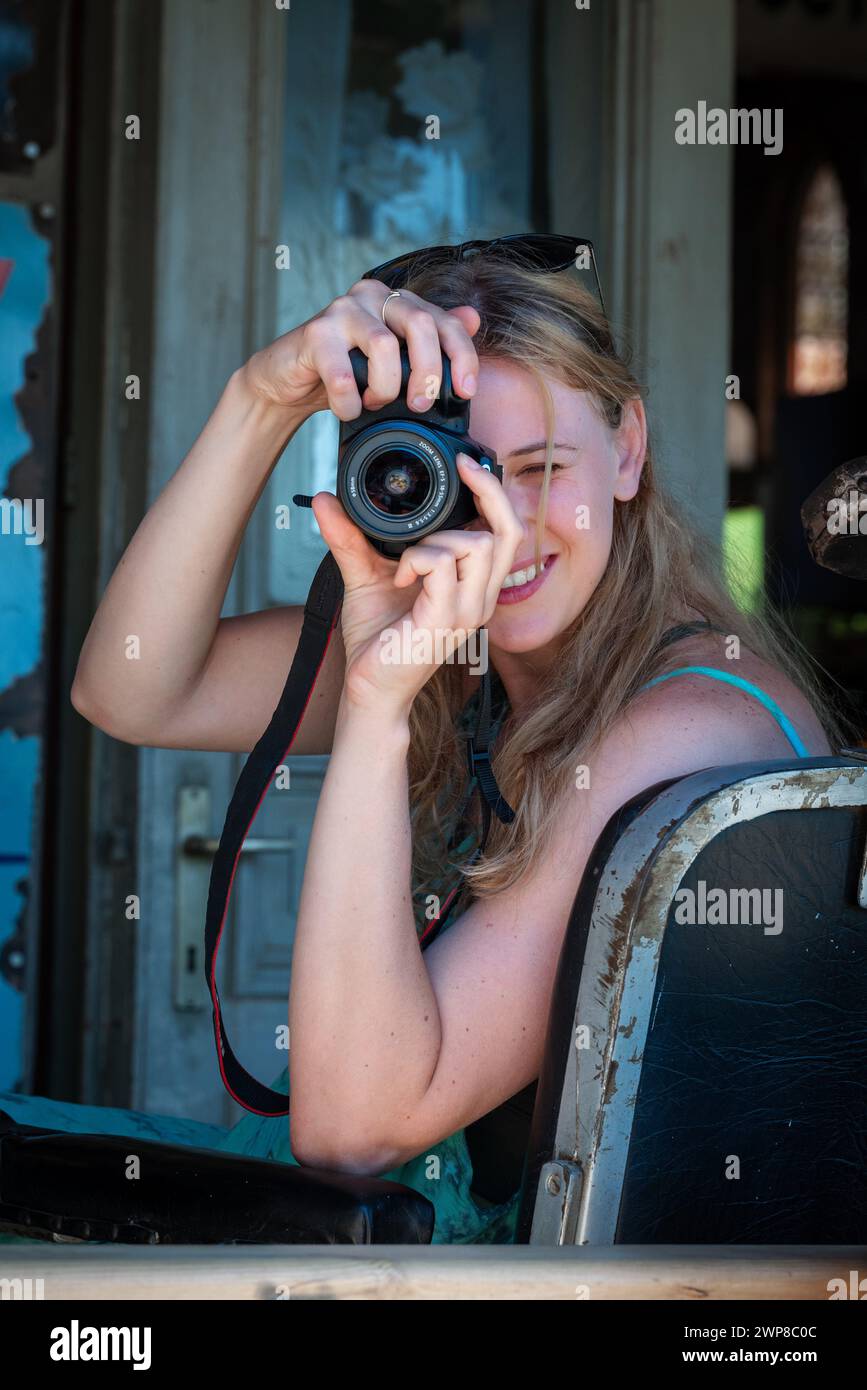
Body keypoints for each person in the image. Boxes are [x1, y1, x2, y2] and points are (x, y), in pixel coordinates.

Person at [0, 245, 845, 1246]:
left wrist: (372, 698)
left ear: (627, 451)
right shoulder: (457, 662)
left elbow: (355, 1127)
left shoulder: (692, 723)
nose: (505, 527)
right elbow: (132, 684)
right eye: (464, 476)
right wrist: (261, 399)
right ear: (394, 477)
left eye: (540, 469)